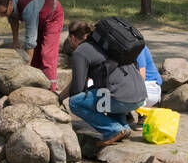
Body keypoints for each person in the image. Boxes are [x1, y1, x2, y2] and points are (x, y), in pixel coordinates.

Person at [59, 19, 146, 147]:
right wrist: (60, 97)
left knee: (75, 102)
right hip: (140, 96)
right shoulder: (105, 44)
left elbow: (77, 89)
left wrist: (63, 99)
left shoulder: (81, 51)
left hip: (121, 99)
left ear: (72, 37)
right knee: (107, 90)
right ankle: (123, 128)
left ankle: (112, 129)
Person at [0, 0, 64, 87]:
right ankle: (36, 84)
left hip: (53, 16)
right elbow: (13, 18)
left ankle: (51, 87)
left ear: (10, 3)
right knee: (36, 54)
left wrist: (27, 66)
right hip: (39, 17)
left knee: (47, 54)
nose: (2, 16)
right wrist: (15, 41)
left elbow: (30, 40)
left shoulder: (28, 6)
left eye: (3, 13)